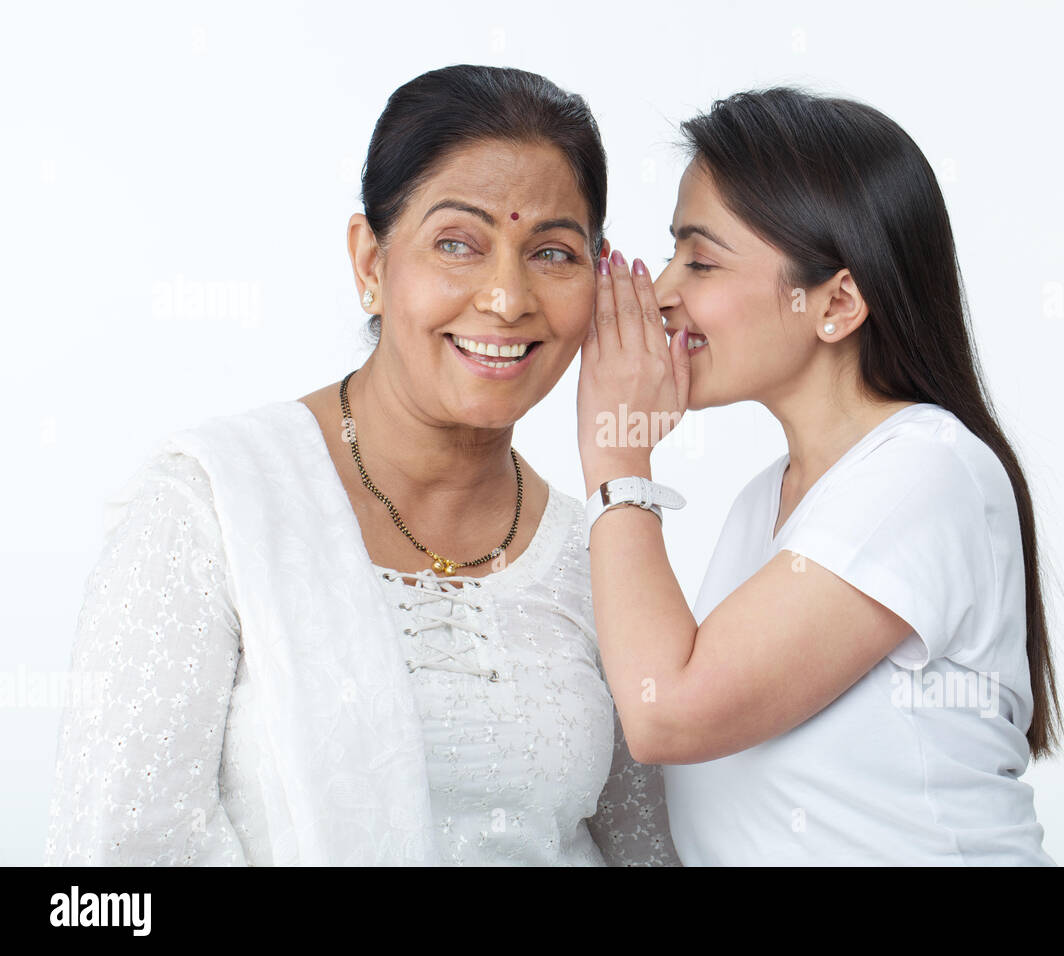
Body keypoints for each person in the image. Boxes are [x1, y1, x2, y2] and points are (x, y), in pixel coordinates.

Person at [44, 64, 678, 866]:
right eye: (458, 244)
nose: (507, 297)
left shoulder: (595, 556)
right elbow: (108, 866)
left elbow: (646, 851)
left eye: (552, 253)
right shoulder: (216, 506)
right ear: (370, 264)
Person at [577, 87, 1064, 865]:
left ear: (837, 301)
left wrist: (616, 454)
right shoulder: (759, 504)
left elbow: (664, 712)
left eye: (700, 260)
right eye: (672, 253)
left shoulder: (925, 471)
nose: (664, 292)